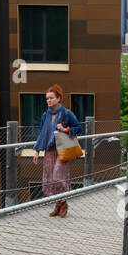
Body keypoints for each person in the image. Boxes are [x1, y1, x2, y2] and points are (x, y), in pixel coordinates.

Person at [33, 84, 82, 218]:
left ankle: (64, 202)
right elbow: (41, 133)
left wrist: (65, 129)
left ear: (58, 98)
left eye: (51, 98)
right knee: (49, 179)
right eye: (47, 99)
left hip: (62, 149)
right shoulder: (45, 115)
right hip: (49, 150)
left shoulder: (66, 113)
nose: (49, 101)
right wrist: (37, 151)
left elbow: (78, 127)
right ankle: (58, 204)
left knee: (58, 176)